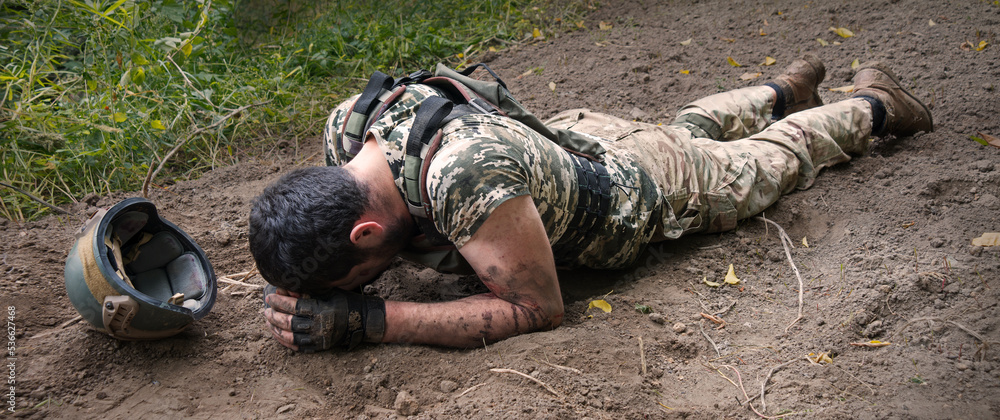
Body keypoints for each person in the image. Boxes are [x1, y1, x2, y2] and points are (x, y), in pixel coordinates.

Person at [248, 56, 932, 351]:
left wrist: (371, 318)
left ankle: (874, 105)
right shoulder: (350, 123)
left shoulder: (464, 180)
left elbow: (537, 309)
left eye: (353, 274)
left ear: (366, 232)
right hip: (573, 137)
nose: (361, 285)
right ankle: (782, 87)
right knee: (682, 127)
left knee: (761, 164)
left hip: (647, 191)